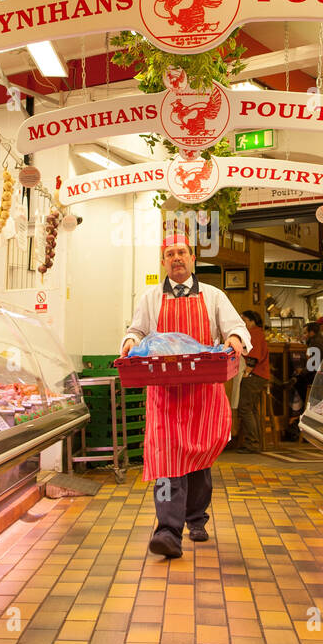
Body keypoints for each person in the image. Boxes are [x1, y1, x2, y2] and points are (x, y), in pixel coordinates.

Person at [120, 234, 250, 559]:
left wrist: (234, 338)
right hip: (164, 393)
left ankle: (196, 517)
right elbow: (137, 330)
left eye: (182, 253)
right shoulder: (150, 298)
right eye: (170, 254)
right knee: (167, 459)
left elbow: (234, 326)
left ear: (192, 258)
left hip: (203, 392)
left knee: (198, 459)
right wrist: (129, 341)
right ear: (164, 261)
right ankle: (167, 531)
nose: (176, 258)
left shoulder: (214, 296)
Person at [233, 310, 270, 453]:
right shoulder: (258, 332)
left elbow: (253, 355)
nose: (243, 323)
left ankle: (252, 443)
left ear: (252, 321)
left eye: (245, 320)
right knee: (251, 409)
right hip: (260, 375)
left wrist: (247, 372)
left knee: (245, 408)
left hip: (254, 375)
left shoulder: (254, 333)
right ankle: (255, 442)